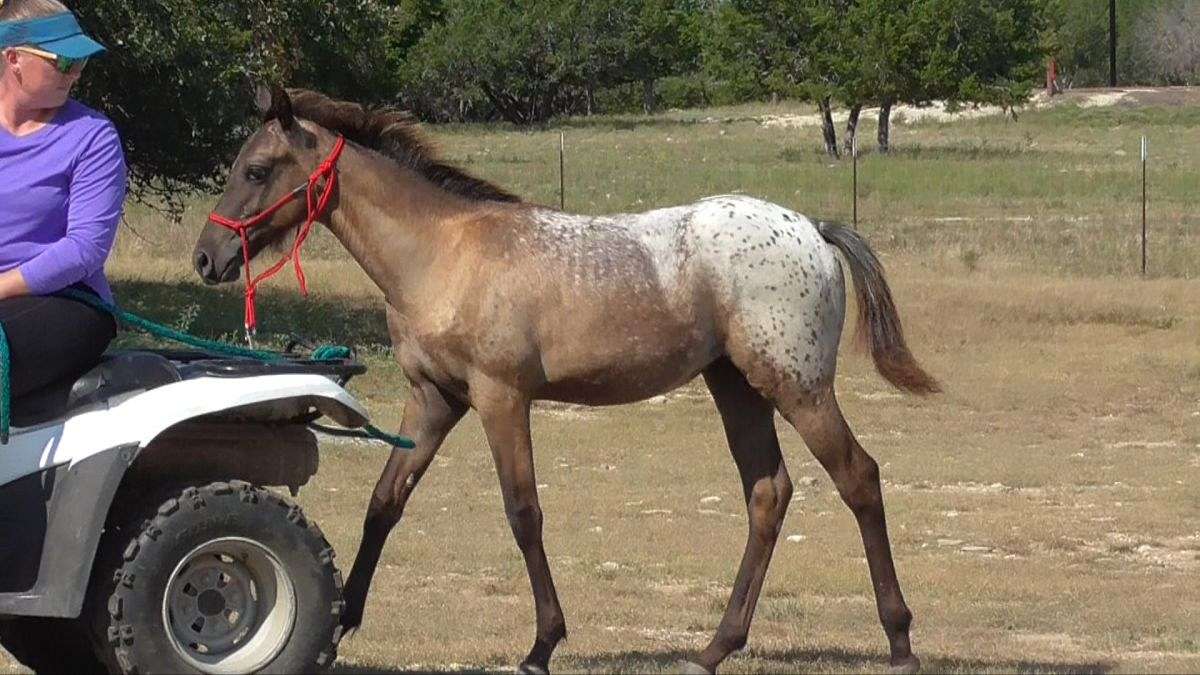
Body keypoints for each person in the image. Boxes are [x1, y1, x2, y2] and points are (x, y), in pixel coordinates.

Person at [0, 0, 125, 407]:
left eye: (82, 62)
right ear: (14, 58)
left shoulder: (93, 137)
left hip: (66, 301)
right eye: (63, 60)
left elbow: (84, 249)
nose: (75, 73)